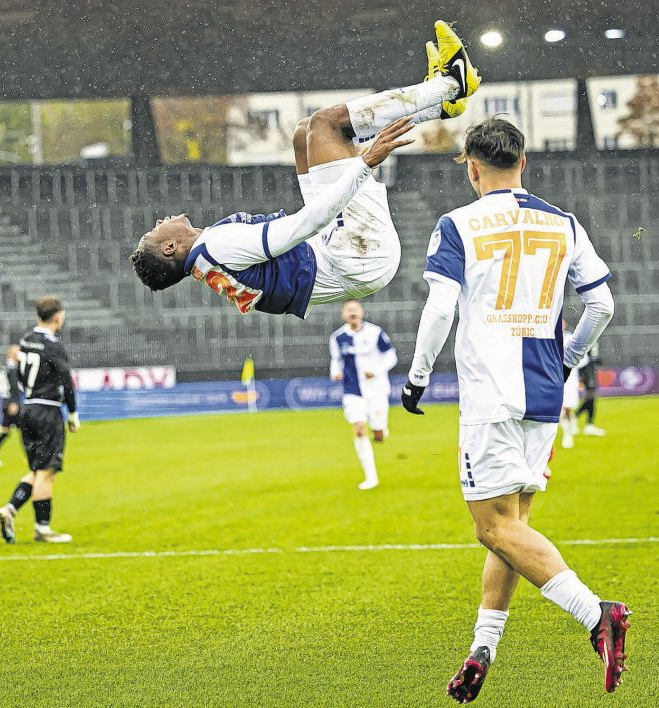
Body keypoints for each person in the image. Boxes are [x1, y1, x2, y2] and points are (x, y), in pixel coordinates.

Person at [397, 118, 629, 701]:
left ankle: (597, 614)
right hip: (544, 389)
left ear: (472, 168)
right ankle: (483, 647)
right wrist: (569, 356)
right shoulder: (564, 223)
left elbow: (440, 309)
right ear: (523, 163)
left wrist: (418, 377)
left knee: (492, 526)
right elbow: (600, 304)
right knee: (511, 529)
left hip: (492, 392)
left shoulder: (457, 225)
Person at [130, 21, 479, 318]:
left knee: (303, 133)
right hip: (356, 254)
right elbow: (305, 223)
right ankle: (450, 84)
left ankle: (440, 107)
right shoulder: (219, 246)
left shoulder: (208, 259)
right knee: (325, 124)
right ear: (170, 248)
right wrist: (363, 164)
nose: (160, 222)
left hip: (342, 256)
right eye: (155, 231)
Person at [0, 296, 80, 544]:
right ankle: (43, 529)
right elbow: (67, 381)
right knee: (47, 472)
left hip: (28, 409)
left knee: (36, 470)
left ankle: (10, 508)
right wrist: (73, 413)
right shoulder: (54, 345)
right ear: (58, 316)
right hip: (48, 412)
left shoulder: (26, 340)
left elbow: (20, 377)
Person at [329, 300, 398, 490]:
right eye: (348, 310)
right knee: (359, 429)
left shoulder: (375, 333)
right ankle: (371, 477)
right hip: (352, 390)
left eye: (355, 309)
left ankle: (380, 430)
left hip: (376, 390)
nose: (352, 313)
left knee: (378, 433)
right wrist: (335, 372)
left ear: (361, 312)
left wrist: (375, 370)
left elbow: (391, 357)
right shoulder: (338, 337)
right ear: (343, 314)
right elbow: (336, 360)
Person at [576, 343, 606, 436]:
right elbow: (582, 356)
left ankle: (588, 424)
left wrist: (596, 360)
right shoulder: (587, 336)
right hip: (586, 371)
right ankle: (576, 417)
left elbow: (593, 355)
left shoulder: (594, 339)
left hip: (591, 370)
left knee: (591, 399)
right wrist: (581, 376)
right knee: (590, 397)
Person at [560, 320, 580, 449]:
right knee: (560, 408)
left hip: (569, 376)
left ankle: (570, 428)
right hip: (553, 376)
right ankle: (567, 434)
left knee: (568, 405)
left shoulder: (569, 338)